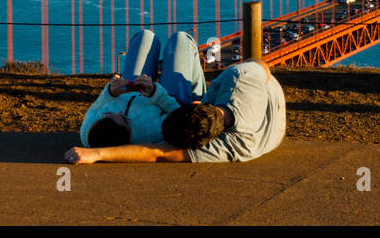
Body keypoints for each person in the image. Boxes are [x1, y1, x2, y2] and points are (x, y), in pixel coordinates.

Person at [64, 56, 286, 165]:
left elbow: (156, 152)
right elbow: (262, 66)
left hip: (275, 133)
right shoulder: (238, 80)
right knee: (181, 42)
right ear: (194, 105)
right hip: (264, 95)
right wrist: (97, 154)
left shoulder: (223, 147)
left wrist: (97, 153)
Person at [78, 28, 206, 148]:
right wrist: (156, 93)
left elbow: (95, 108)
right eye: (124, 119)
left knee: (145, 36)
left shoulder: (88, 133)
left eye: (110, 114)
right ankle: (202, 101)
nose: (121, 113)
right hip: (170, 98)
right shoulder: (150, 134)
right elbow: (178, 117)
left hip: (132, 90)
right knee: (181, 39)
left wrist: (110, 93)